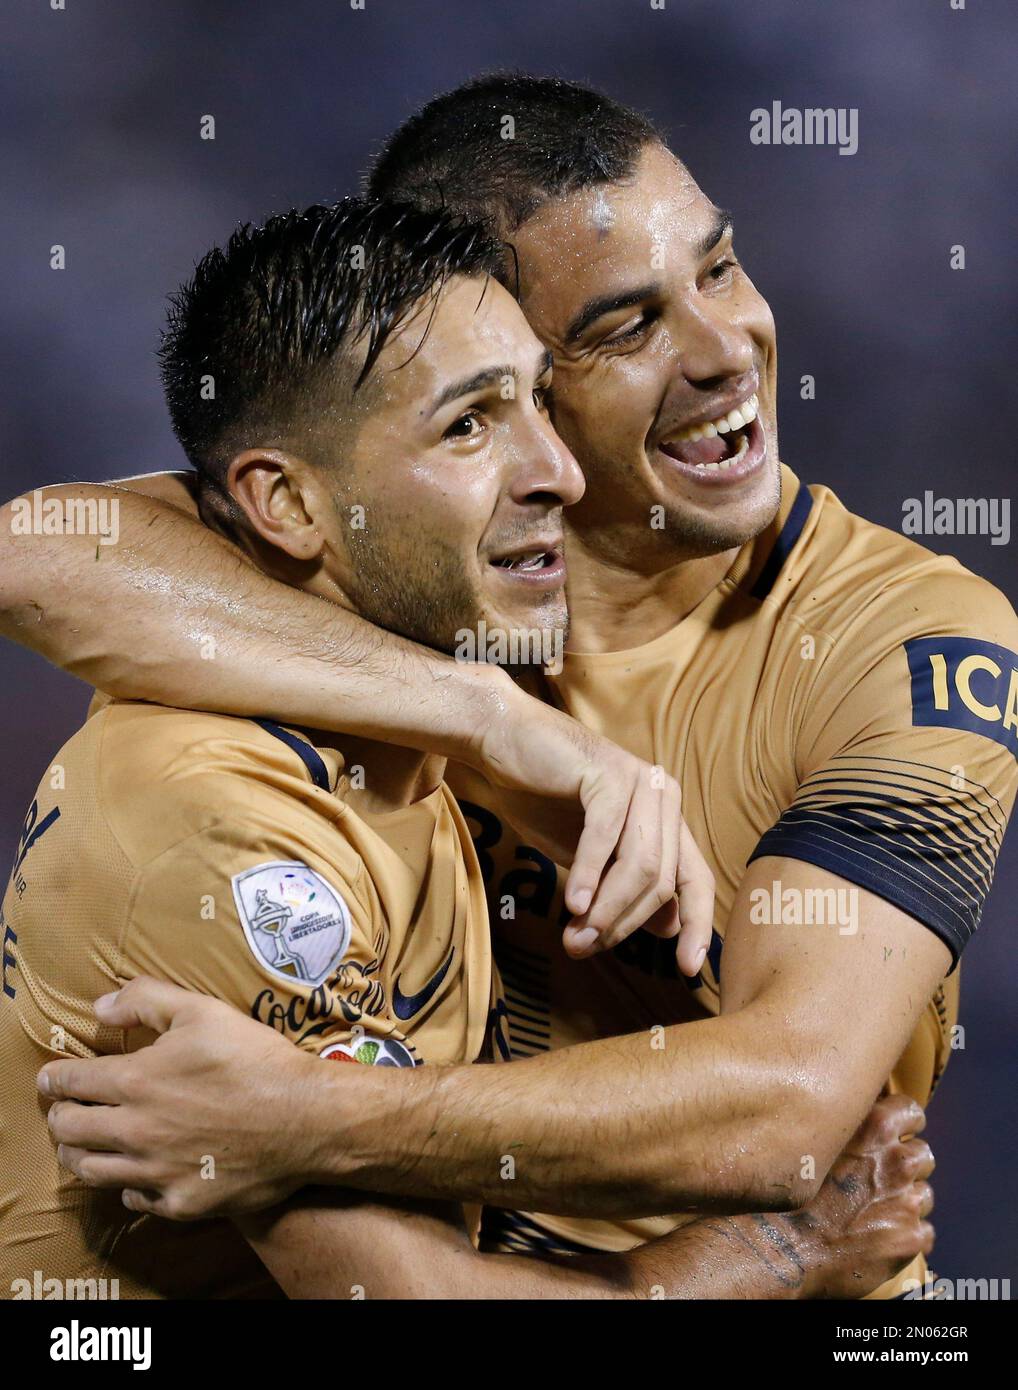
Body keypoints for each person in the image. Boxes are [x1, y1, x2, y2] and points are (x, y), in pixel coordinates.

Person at [7, 77, 1013, 1298]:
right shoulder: (393, 561)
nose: (721, 350)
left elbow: (791, 1108)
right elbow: (34, 555)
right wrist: (485, 713)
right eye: (622, 328)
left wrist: (303, 1118)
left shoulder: (899, 640)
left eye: (721, 267)